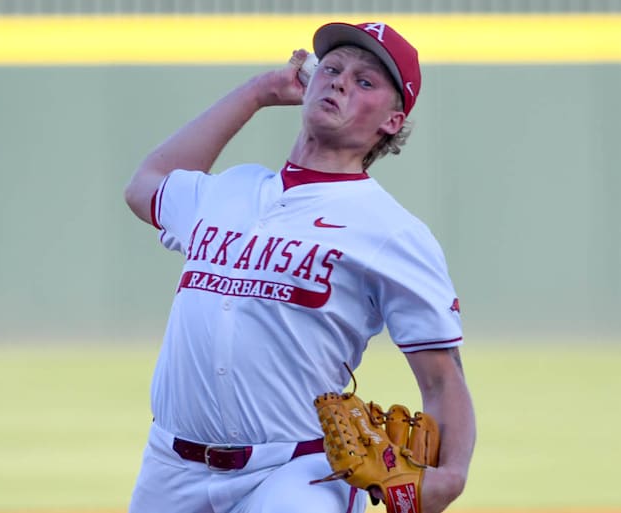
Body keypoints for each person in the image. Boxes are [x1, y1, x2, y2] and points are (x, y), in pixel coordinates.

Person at [124, 21, 476, 513]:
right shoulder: (230, 190)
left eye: (365, 81)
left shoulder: (392, 231)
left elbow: (442, 377)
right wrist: (258, 91)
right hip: (171, 468)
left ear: (393, 121)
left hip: (296, 473)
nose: (339, 81)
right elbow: (146, 184)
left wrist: (452, 476)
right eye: (331, 69)